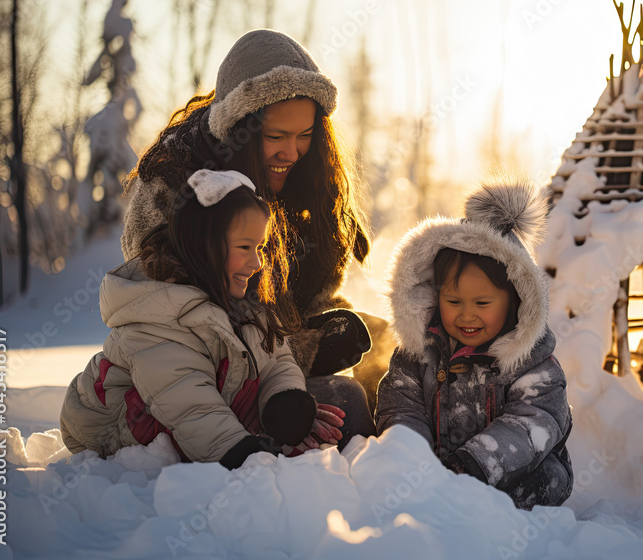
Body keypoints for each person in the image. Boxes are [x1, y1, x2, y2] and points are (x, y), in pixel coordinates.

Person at [119, 29, 382, 446]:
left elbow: (316, 294)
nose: (292, 153)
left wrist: (334, 325)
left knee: (390, 350)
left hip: (276, 357)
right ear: (238, 125)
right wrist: (308, 350)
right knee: (347, 401)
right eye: (275, 136)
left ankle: (442, 467)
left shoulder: (308, 178)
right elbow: (189, 337)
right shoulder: (174, 190)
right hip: (198, 387)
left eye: (305, 135)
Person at [60, 170, 345, 468]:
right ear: (204, 246)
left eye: (258, 248)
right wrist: (244, 453)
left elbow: (275, 356)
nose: (257, 262)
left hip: (191, 406)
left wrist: (284, 399)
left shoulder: (238, 300)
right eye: (244, 247)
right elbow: (191, 406)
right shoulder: (159, 317)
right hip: (115, 426)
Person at [375, 181, 574, 509]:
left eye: (482, 303)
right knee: (392, 468)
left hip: (504, 471)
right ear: (436, 294)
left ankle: (489, 520)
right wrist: (416, 464)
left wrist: (470, 466)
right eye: (453, 300)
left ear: (514, 301)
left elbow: (532, 421)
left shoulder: (532, 363)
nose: (467, 315)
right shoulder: (421, 351)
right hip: (433, 472)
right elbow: (400, 407)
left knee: (547, 478)